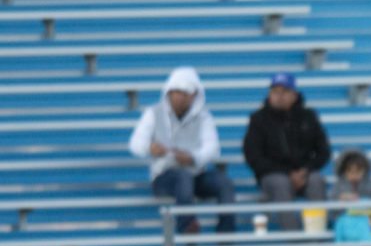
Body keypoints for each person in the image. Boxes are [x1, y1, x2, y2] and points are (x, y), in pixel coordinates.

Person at [129, 66, 235, 235]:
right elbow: (136, 143)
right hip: (164, 176)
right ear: (168, 93)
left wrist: (192, 158)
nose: (179, 98)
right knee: (182, 177)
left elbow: (213, 149)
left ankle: (226, 238)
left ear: (194, 96)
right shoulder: (153, 113)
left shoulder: (204, 117)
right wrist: (150, 147)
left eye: (184, 94)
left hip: (195, 173)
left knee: (225, 184)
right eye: (175, 93)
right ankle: (187, 226)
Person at [242, 71, 330, 231]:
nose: (279, 96)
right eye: (275, 92)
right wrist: (287, 173)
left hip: (304, 173)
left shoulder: (308, 117)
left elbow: (324, 151)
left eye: (285, 92)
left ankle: (317, 240)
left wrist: (306, 170)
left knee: (316, 180)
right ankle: (295, 243)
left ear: (294, 95)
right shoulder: (258, 119)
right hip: (273, 175)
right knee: (281, 183)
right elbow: (253, 157)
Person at [330, 149, 371, 246]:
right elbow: (332, 209)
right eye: (350, 172)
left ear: (364, 171)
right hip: (346, 220)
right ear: (344, 171)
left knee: (366, 221)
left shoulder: (370, 185)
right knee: (349, 222)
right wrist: (341, 201)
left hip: (366, 219)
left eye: (358, 172)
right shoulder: (338, 187)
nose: (354, 176)